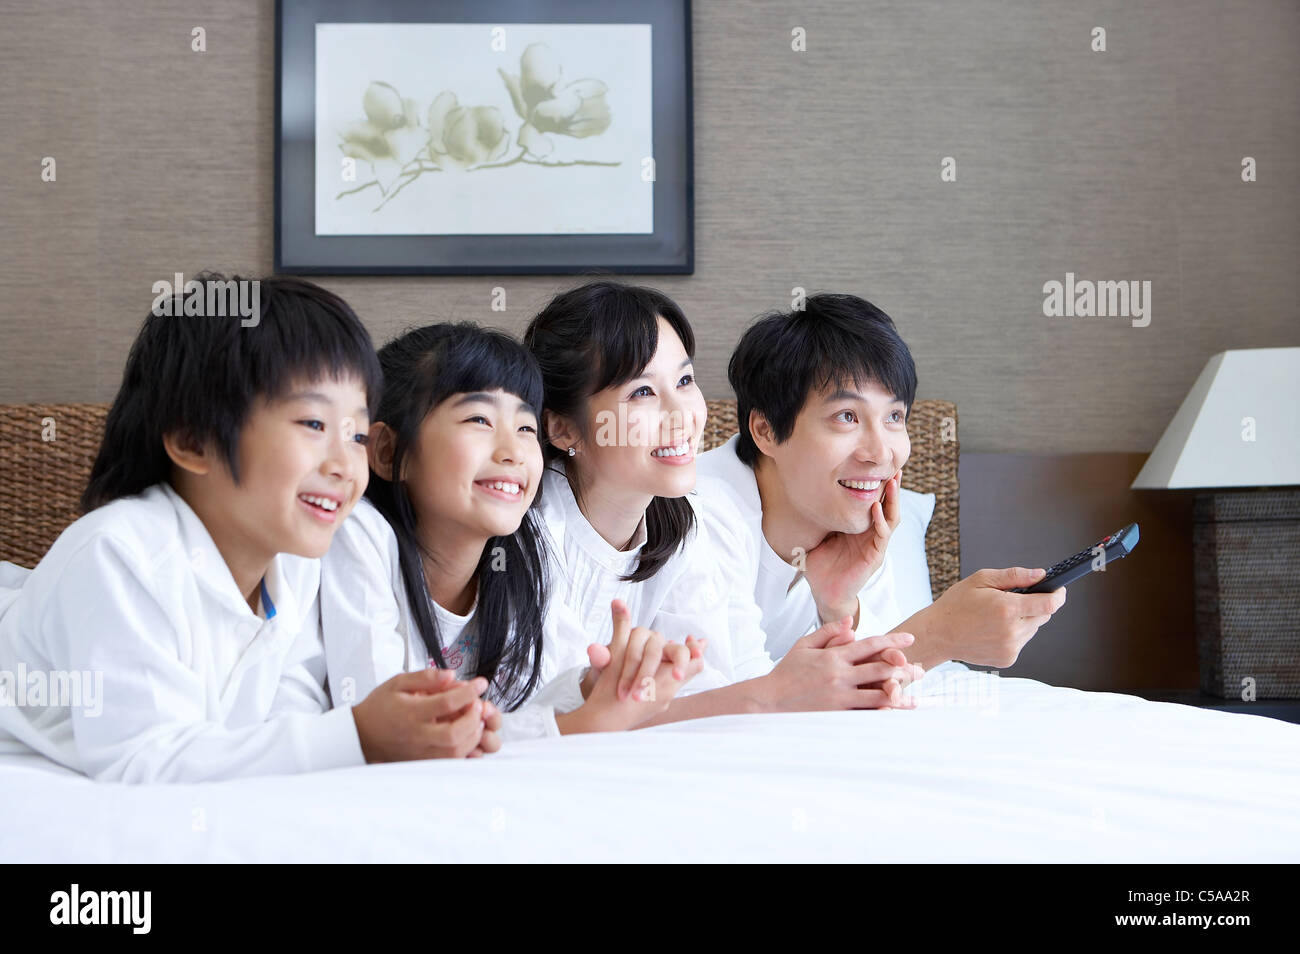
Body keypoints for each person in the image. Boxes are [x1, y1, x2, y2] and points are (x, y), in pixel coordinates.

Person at [0, 275, 496, 782]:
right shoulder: (120, 554)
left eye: (357, 435)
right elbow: (144, 760)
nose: (346, 465)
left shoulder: (295, 564)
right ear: (194, 440)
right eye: (313, 425)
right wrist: (357, 735)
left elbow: (289, 696)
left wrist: (422, 729)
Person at [523, 280, 922, 724]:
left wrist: (832, 623)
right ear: (562, 429)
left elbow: (720, 690)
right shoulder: (527, 534)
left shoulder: (680, 525)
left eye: (685, 381)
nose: (683, 415)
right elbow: (534, 718)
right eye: (642, 392)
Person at [320, 323, 705, 742]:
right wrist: (584, 723)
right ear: (389, 452)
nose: (513, 452)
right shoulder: (358, 537)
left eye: (525, 429)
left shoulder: (521, 552)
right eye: (479, 419)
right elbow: (390, 735)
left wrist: (594, 686)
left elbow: (540, 695)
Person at [696, 292, 1067, 672]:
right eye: (846, 416)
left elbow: (879, 693)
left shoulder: (850, 521)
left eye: (894, 416)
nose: (880, 452)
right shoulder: (699, 513)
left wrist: (839, 605)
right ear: (766, 430)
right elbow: (743, 701)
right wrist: (940, 633)